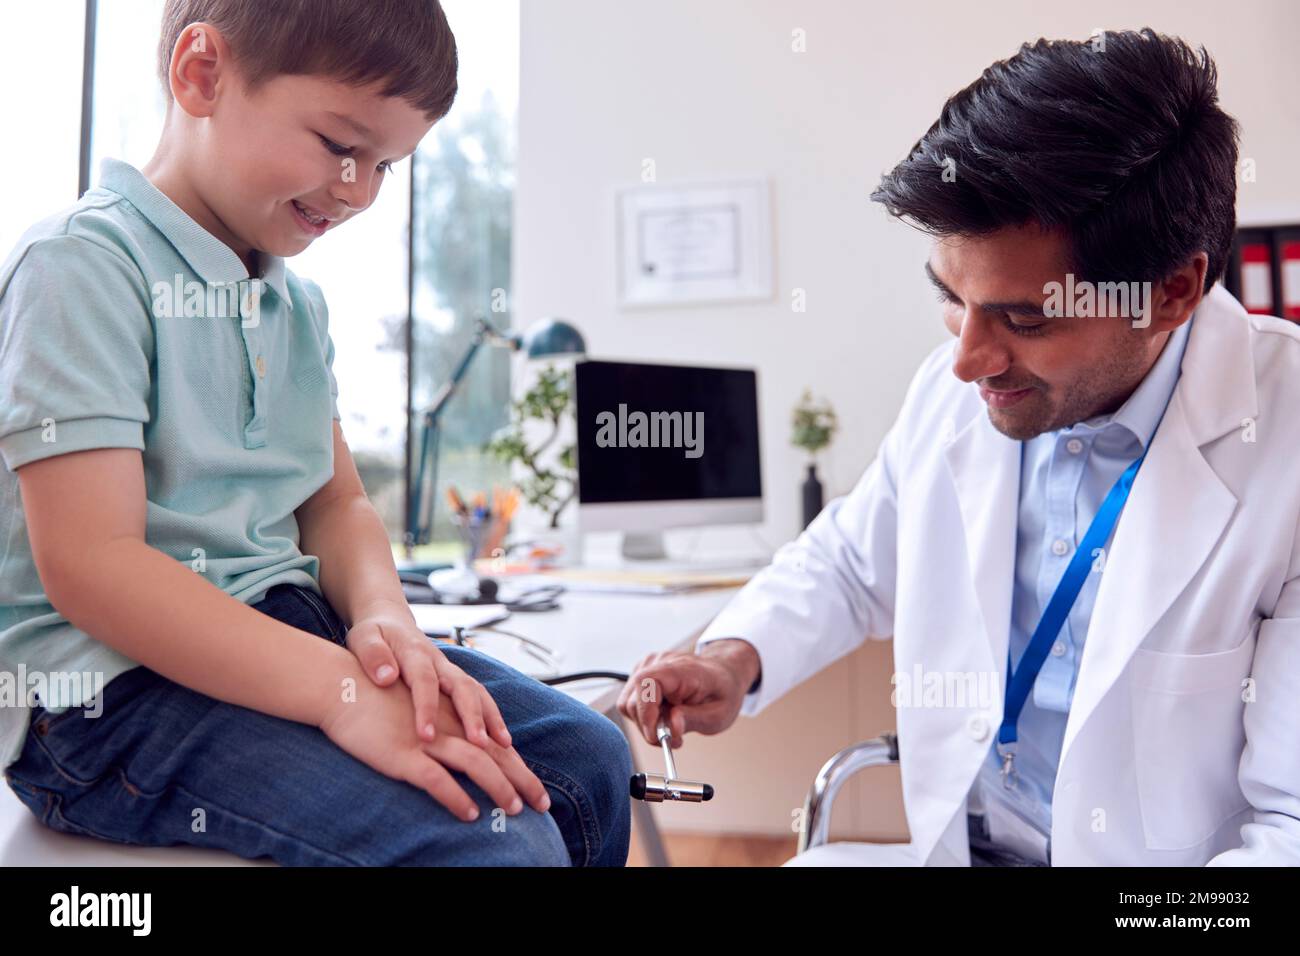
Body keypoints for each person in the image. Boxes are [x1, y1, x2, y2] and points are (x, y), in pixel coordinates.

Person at [620, 28, 1300, 866]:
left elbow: (1291, 832)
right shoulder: (958, 392)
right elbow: (848, 561)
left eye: (1025, 319)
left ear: (1172, 293)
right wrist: (733, 656)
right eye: (951, 299)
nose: (967, 360)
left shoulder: (1285, 442)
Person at [0, 0, 631, 867]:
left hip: (291, 636)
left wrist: (382, 619)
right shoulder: (80, 268)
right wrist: (337, 695)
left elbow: (333, 501)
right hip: (112, 697)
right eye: (341, 146)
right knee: (497, 842)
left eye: (386, 167)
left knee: (587, 759)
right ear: (202, 74)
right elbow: (93, 566)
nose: (359, 191)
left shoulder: (296, 304)